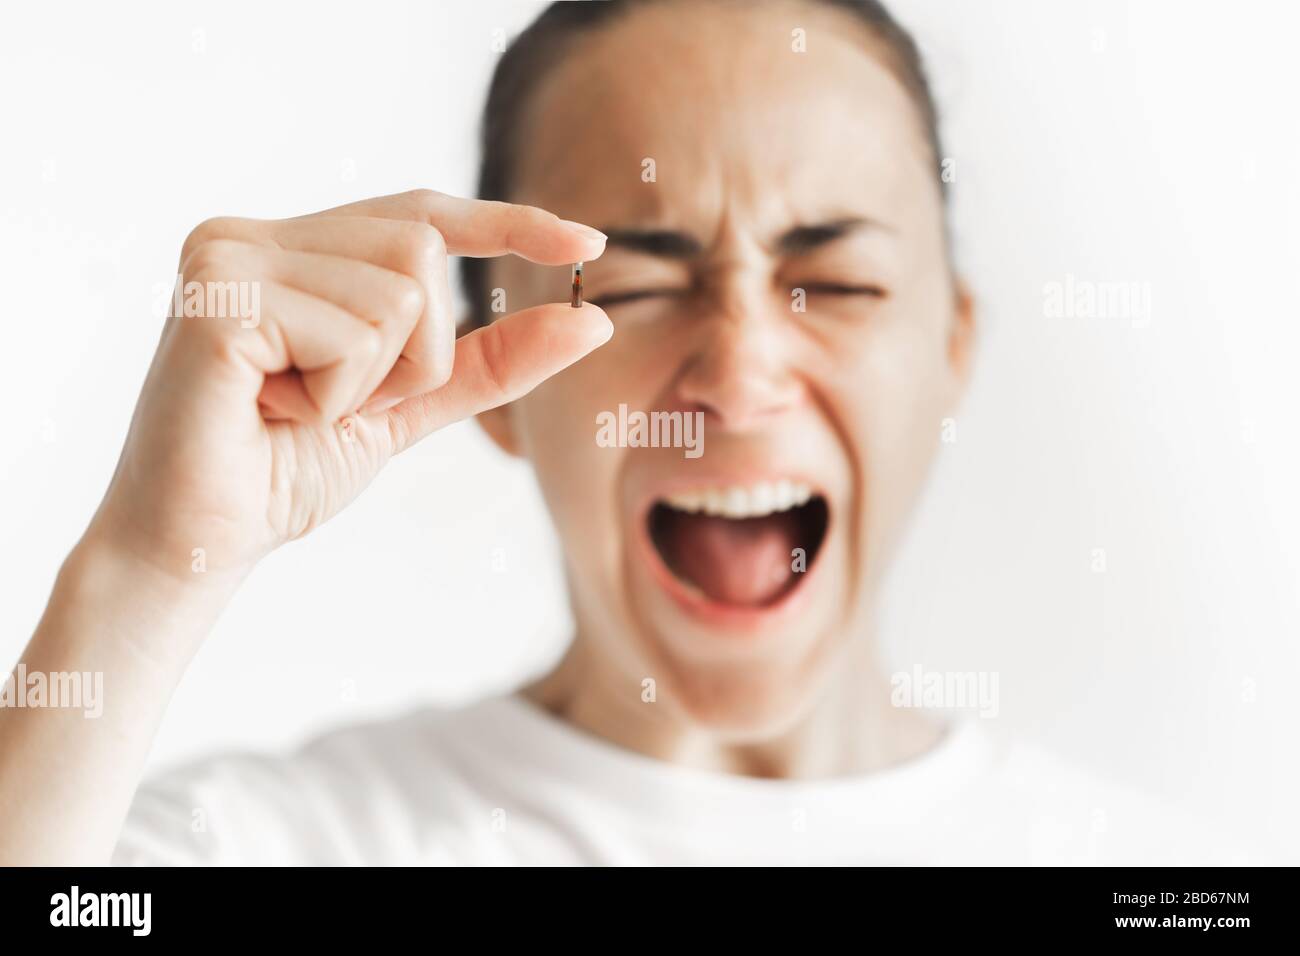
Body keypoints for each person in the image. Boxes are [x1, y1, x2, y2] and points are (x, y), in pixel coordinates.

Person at [0, 0, 1242, 866]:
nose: (740, 373)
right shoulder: (284, 844)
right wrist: (147, 571)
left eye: (840, 281)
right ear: (488, 365)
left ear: (952, 346)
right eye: (637, 285)